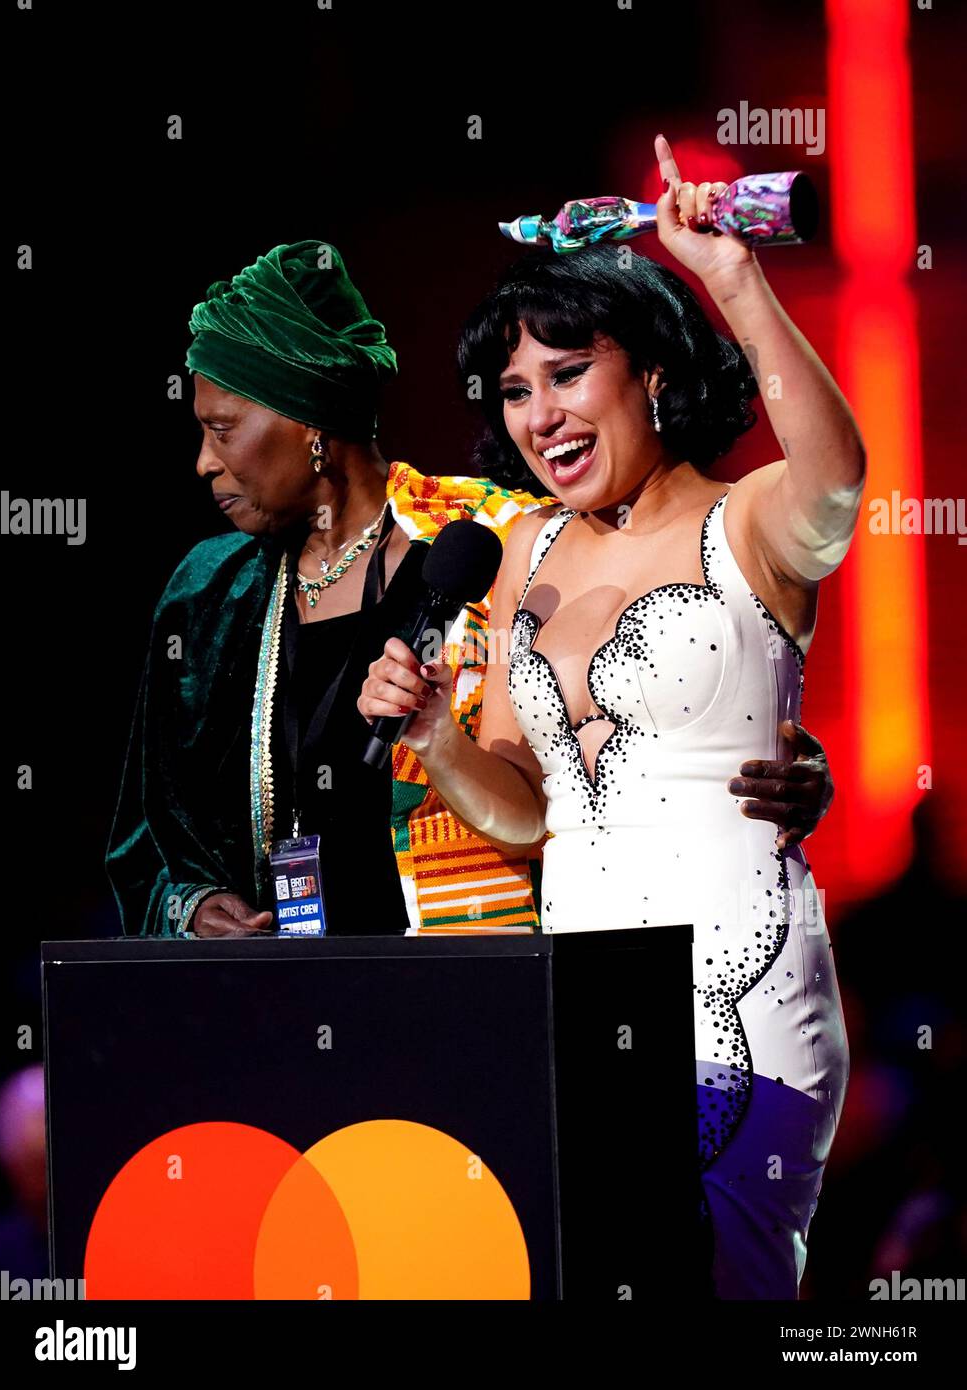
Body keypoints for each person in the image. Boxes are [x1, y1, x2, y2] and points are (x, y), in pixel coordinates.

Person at [357, 135, 862, 1296]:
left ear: (654, 372)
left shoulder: (748, 525)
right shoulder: (518, 554)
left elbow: (836, 478)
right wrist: (435, 735)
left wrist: (728, 274)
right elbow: (526, 818)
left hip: (740, 1008)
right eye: (518, 390)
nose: (541, 414)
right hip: (578, 1022)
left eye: (570, 372)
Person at [105, 237, 835, 943]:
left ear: (309, 425)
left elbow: (665, 667)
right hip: (289, 980)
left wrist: (785, 755)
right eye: (516, 389)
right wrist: (190, 904)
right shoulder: (211, 592)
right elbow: (154, 823)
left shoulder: (499, 533)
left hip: (480, 972)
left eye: (223, 430)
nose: (204, 461)